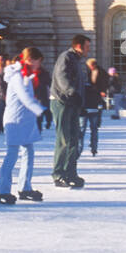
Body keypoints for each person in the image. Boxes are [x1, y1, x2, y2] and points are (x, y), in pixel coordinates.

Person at [0, 47, 45, 204]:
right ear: (30, 60)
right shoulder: (17, 76)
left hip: (25, 121)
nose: (39, 66)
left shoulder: (27, 75)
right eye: (38, 62)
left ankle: (25, 187)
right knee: (12, 155)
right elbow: (25, 97)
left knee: (29, 152)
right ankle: (1, 190)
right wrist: (41, 110)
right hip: (15, 120)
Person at [50, 34, 90, 189]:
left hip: (72, 103)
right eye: (87, 46)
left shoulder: (76, 60)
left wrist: (80, 101)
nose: (88, 50)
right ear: (78, 46)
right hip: (62, 102)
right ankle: (58, 174)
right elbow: (62, 77)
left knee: (74, 139)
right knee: (64, 139)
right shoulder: (66, 57)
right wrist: (72, 92)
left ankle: (70, 172)